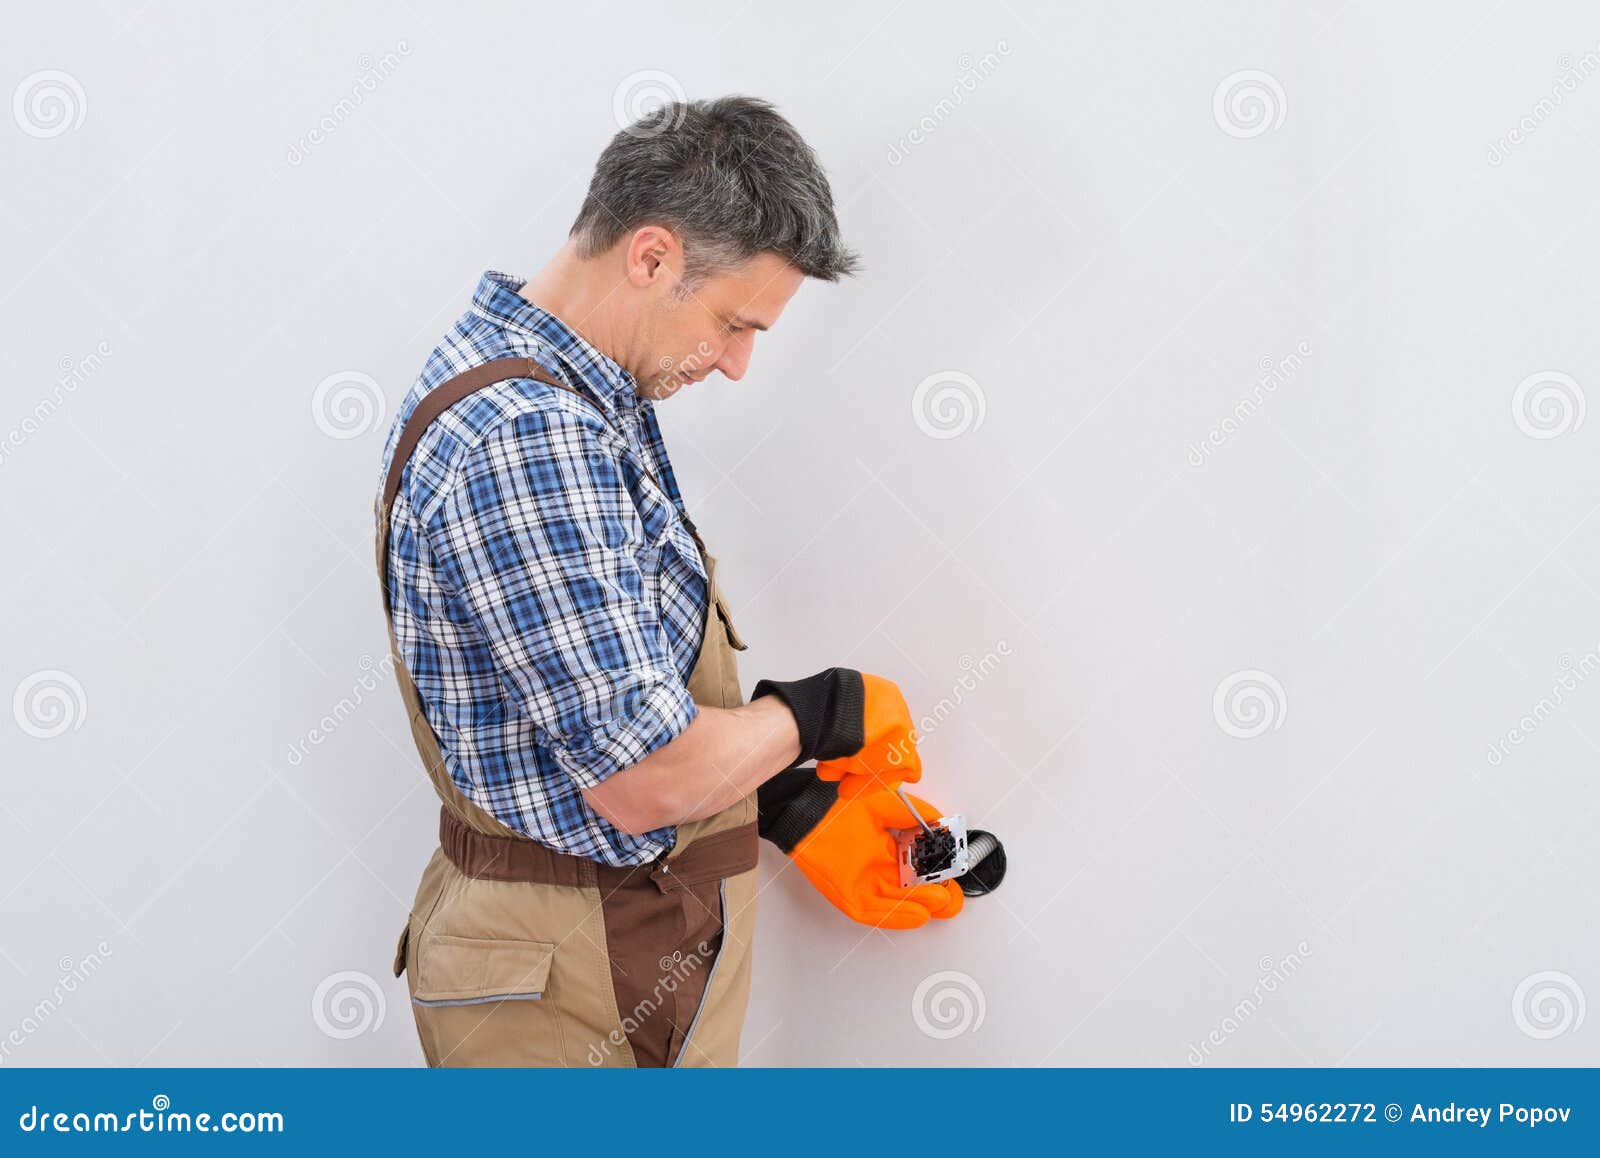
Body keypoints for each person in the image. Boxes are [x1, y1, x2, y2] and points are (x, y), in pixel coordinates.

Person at [376, 96, 962, 1069]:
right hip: (573, 982)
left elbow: (595, 694)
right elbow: (643, 779)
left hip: (606, 954)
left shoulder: (579, 393)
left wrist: (777, 797)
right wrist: (820, 714)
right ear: (650, 257)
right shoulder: (531, 435)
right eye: (733, 324)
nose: (735, 365)